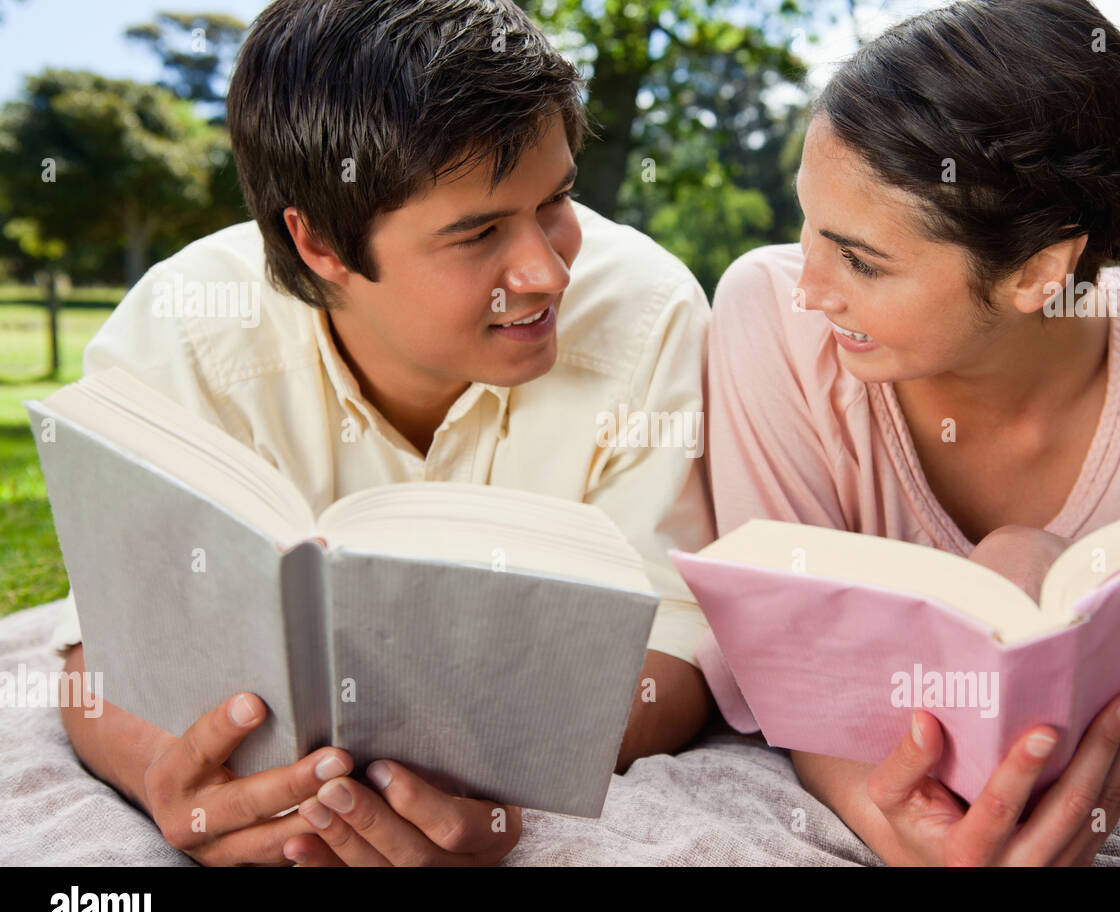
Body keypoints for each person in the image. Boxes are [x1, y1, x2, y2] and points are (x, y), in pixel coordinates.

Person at [54, 0, 715, 867]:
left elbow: (678, 650)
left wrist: (495, 785)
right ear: (320, 240)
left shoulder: (650, 312)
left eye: (556, 200)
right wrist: (167, 780)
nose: (548, 271)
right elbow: (95, 653)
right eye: (478, 233)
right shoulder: (183, 332)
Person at [699, 0, 1120, 865]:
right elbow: (787, 670)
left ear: (1038, 270)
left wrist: (1036, 564)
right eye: (808, 221)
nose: (811, 283)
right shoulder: (770, 312)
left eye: (860, 259)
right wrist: (899, 830)